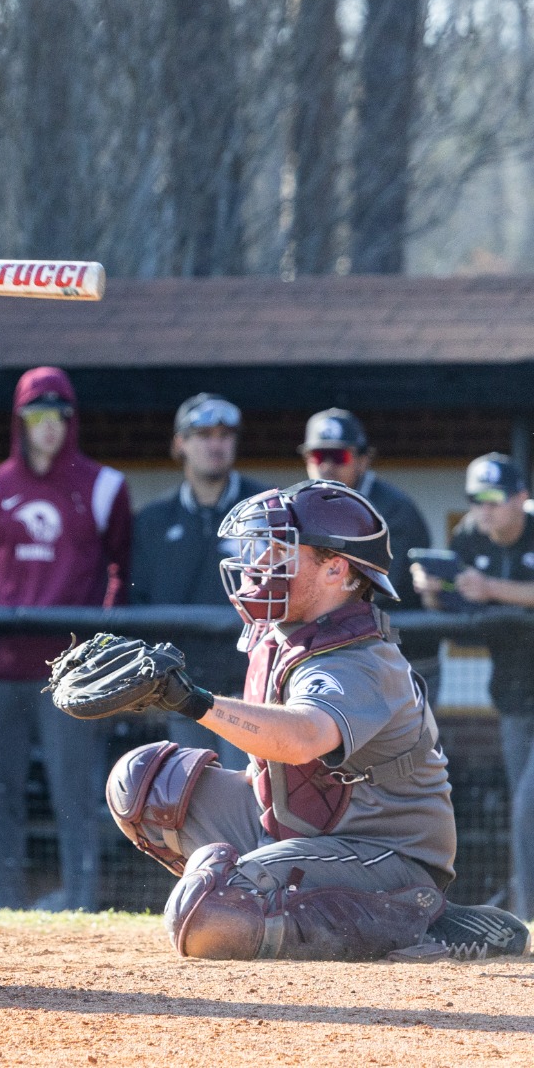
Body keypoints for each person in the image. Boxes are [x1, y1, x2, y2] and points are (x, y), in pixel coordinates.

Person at [86, 479, 525, 960]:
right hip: (296, 828)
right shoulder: (278, 633)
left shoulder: (360, 657)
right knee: (142, 784)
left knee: (209, 914)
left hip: (386, 853)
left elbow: (303, 737)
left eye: (279, 552)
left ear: (336, 569)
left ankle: (414, 918)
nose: (257, 565)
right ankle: (271, 888)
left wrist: (193, 701)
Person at [0, 366, 131, 911]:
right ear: (20, 420)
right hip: (6, 667)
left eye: (59, 414)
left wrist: (100, 652)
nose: (49, 426)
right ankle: (5, 902)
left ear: (72, 420)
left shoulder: (105, 487)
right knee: (3, 792)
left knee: (75, 794)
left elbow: (119, 573)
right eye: (37, 414)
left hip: (72, 672)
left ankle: (82, 900)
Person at [411, 454, 534, 919]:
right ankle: (525, 913)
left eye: (493, 499)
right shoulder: (468, 536)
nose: (483, 509)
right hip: (514, 695)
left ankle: (527, 911)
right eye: (475, 500)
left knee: (527, 809)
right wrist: (432, 591)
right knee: (521, 811)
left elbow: (486, 591)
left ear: (521, 496)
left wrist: (490, 588)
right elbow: (455, 605)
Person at [129, 394, 269, 770]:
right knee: (190, 799)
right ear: (180, 444)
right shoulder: (153, 521)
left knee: (249, 799)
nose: (215, 443)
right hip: (180, 693)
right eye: (203, 433)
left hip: (252, 691)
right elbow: (137, 604)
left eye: (225, 434)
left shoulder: (266, 509)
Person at [300, 408, 437, 685]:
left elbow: (382, 586)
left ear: (363, 460)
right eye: (317, 455)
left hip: (403, 658)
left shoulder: (394, 510)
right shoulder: (303, 506)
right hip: (343, 654)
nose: (326, 465)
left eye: (339, 456)